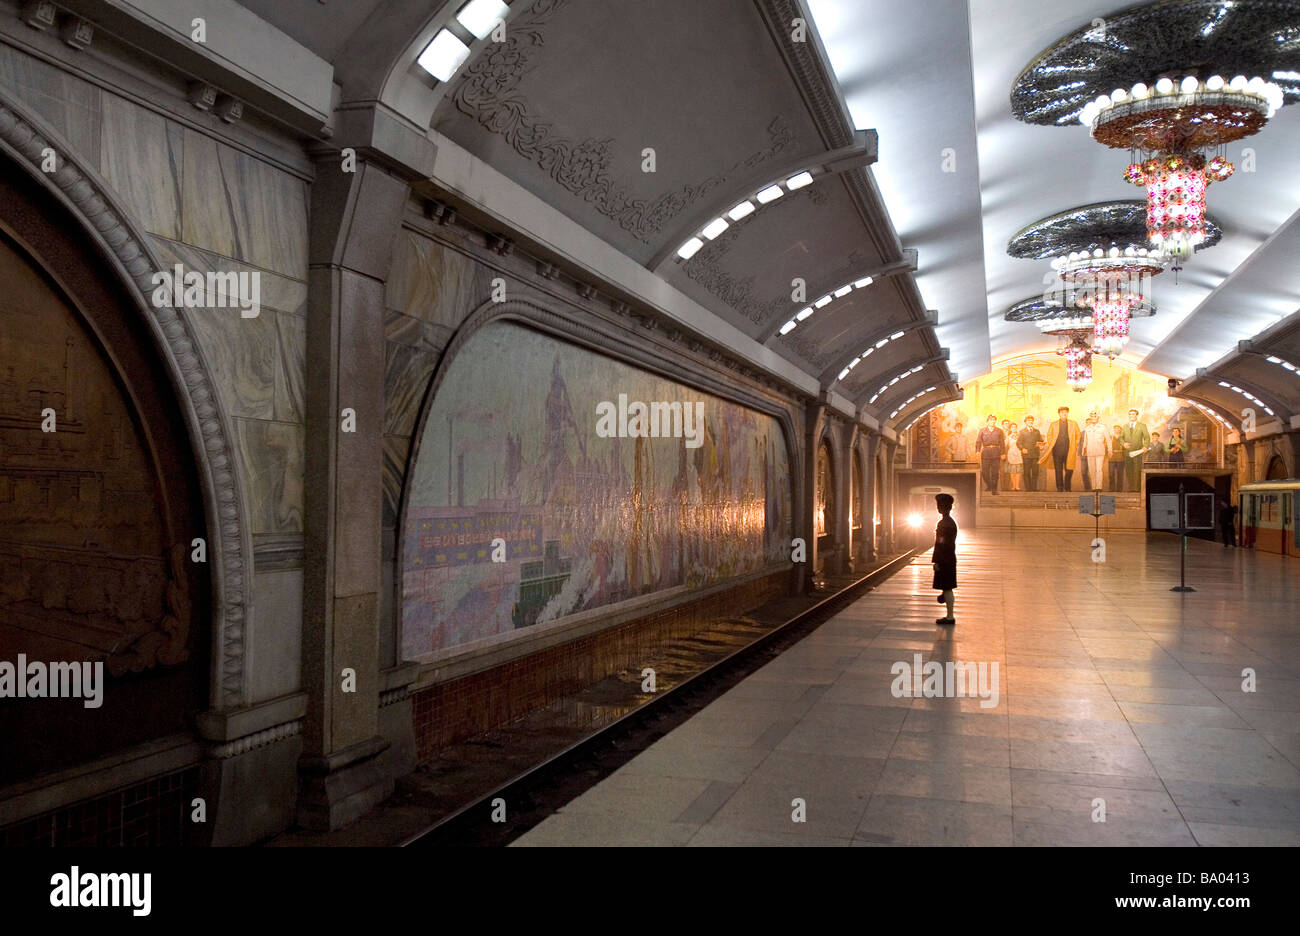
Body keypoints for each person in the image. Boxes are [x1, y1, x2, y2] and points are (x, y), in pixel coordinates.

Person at [1038, 406, 1080, 492]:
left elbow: (1078, 435)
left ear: (1068, 413)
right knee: (1058, 470)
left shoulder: (1073, 423)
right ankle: (1060, 487)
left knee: (1069, 469)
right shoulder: (1053, 424)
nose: (1064, 414)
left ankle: (1067, 487)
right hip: (1057, 451)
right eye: (1062, 412)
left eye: (1065, 412)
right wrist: (1052, 444)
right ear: (1059, 414)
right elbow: (1049, 435)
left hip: (1070, 450)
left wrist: (1075, 444)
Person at [932, 493, 957, 625]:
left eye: (939, 505)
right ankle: (949, 615)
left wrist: (937, 561)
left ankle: (950, 616)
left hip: (945, 560)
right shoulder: (950, 522)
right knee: (948, 587)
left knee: (947, 588)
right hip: (950, 558)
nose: (938, 508)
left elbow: (941, 543)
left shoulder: (943, 524)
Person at [1119, 408, 1151, 492]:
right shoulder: (1125, 426)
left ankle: (1137, 489)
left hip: (1137, 452)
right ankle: (1131, 488)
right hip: (1127, 453)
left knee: (1137, 471)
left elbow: (1147, 437)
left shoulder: (1142, 425)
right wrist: (1123, 444)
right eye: (1130, 414)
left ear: (1136, 415)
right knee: (1129, 471)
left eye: (1133, 414)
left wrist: (1145, 447)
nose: (1131, 416)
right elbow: (1120, 438)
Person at [975, 414, 1005, 495]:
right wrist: (977, 450)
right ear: (987, 421)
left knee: (995, 472)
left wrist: (1003, 453)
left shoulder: (999, 431)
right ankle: (989, 485)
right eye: (991, 420)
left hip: (996, 452)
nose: (993, 421)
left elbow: (1002, 443)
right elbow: (978, 441)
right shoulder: (982, 430)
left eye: (994, 420)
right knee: (985, 472)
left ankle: (994, 489)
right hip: (986, 453)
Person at [1079, 412, 1108, 490]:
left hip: (1100, 451)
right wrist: (1083, 451)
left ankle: (1099, 487)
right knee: (1092, 470)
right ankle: (1094, 487)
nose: (1093, 418)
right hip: (1090, 452)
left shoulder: (1103, 427)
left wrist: (1110, 450)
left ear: (1098, 418)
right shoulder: (1088, 428)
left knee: (1099, 470)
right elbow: (1085, 441)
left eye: (1095, 417)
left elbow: (1108, 440)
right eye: (1092, 417)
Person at [1018, 415, 1042, 491]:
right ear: (1025, 422)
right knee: (1026, 473)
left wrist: (1041, 445)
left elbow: (1040, 441)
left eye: (1031, 420)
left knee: (1035, 472)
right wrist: (1022, 449)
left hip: (1035, 455)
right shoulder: (1022, 432)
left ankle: (1034, 489)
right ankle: (1028, 489)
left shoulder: (1037, 431)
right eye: (1028, 420)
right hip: (1026, 455)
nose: (1030, 422)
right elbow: (1019, 443)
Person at [1006, 422, 1023, 491]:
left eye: (1015, 427)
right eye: (1012, 427)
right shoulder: (1008, 436)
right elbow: (1005, 444)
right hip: (1011, 454)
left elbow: (1022, 443)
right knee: (1012, 471)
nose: (1014, 428)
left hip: (1019, 453)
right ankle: (1013, 486)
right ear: (1010, 428)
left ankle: (1017, 486)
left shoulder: (1020, 436)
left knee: (1018, 471)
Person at [1108, 424, 1125, 491]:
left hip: (1121, 457)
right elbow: (1106, 446)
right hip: (1112, 457)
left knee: (1120, 474)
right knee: (1111, 474)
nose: (1117, 430)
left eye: (1118, 428)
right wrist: (1109, 452)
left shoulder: (1123, 438)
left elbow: (1126, 448)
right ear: (1114, 429)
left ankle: (1119, 489)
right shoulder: (1110, 437)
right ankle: (1111, 489)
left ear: (1120, 430)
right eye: (1115, 428)